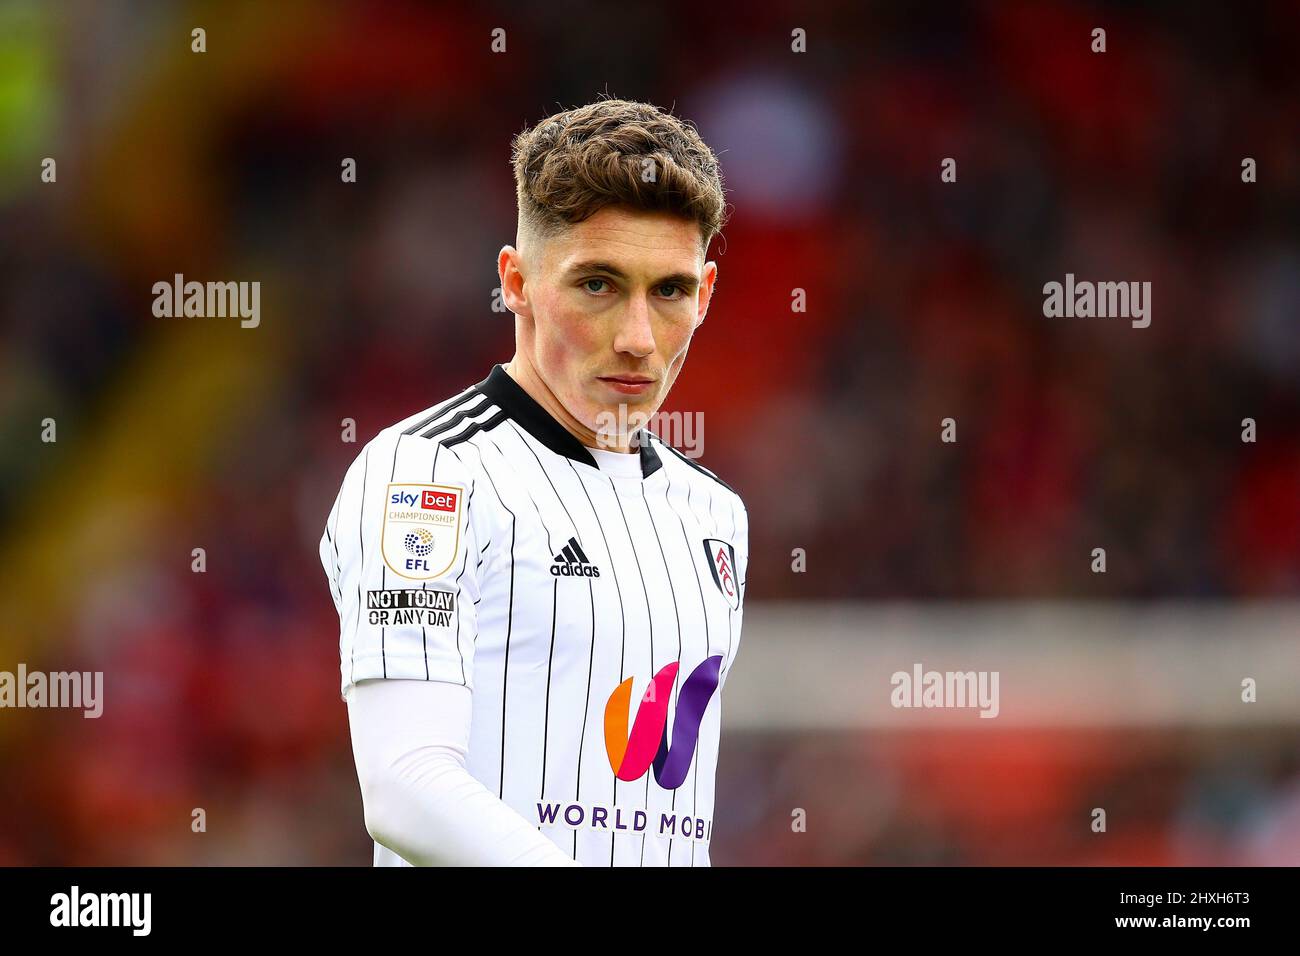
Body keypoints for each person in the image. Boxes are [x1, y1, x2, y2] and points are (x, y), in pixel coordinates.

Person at [320, 97, 747, 866]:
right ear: (516, 282)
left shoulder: (715, 514)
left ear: (706, 293)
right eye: (597, 285)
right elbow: (405, 786)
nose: (637, 339)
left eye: (670, 291)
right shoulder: (427, 474)